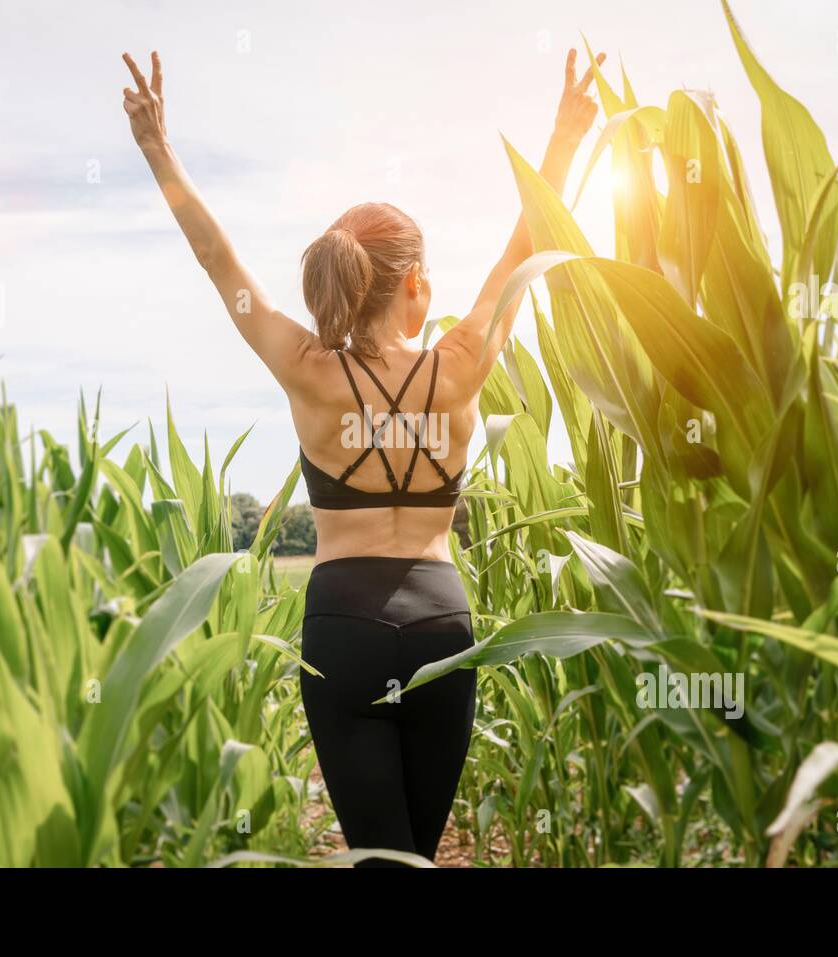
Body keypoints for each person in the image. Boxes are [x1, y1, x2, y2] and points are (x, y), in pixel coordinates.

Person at [121, 46, 602, 866]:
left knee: (380, 858)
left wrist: (158, 150)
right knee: (419, 850)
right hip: (443, 627)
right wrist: (564, 138)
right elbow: (523, 253)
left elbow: (218, 264)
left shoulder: (308, 373)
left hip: (340, 625)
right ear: (414, 283)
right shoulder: (459, 366)